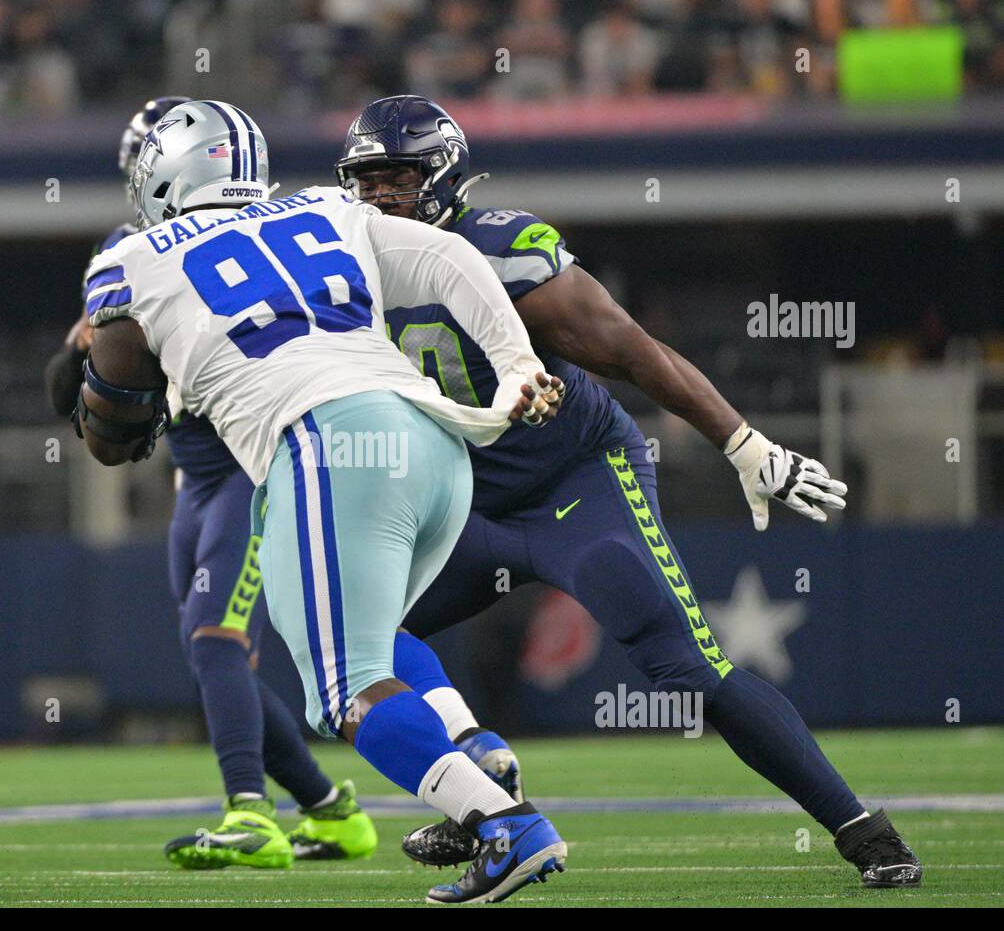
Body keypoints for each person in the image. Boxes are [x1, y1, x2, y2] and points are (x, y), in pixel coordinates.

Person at [335, 94, 921, 888]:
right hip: (463, 497)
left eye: (397, 177)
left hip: (573, 482)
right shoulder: (340, 268)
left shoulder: (501, 251)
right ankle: (483, 780)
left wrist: (742, 442)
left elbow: (634, 350)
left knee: (687, 665)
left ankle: (862, 828)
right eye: (367, 180)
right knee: (354, 636)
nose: (380, 197)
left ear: (442, 176)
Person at [74, 99, 569, 903]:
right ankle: (472, 747)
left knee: (345, 689)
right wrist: (515, 363)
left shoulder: (131, 259)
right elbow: (448, 261)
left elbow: (112, 428)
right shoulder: (326, 206)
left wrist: (95, 395)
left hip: (328, 442)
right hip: (437, 440)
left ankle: (504, 822)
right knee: (374, 642)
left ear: (163, 176)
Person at [44, 97, 377, 871]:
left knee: (216, 638)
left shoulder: (234, 236)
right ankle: (332, 810)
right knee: (210, 650)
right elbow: (72, 381)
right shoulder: (125, 253)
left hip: (253, 466)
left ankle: (250, 810)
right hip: (193, 479)